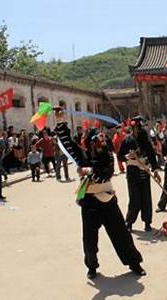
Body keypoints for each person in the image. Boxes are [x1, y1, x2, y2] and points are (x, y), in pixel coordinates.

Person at [53, 108, 146, 279]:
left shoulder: (108, 156)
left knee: (121, 235)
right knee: (89, 240)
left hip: (108, 200)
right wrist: (60, 120)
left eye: (102, 141)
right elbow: (67, 142)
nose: (101, 144)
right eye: (97, 141)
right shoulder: (82, 155)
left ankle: (134, 263)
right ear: (89, 144)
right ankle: (92, 267)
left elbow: (105, 173)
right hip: (89, 203)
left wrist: (87, 170)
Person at [118, 115, 161, 232]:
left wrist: (155, 171)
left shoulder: (145, 141)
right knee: (134, 199)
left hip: (145, 171)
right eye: (139, 128)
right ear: (135, 128)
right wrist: (128, 156)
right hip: (132, 172)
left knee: (146, 198)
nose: (141, 130)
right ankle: (129, 222)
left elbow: (152, 156)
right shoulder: (127, 140)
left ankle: (147, 222)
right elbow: (119, 156)